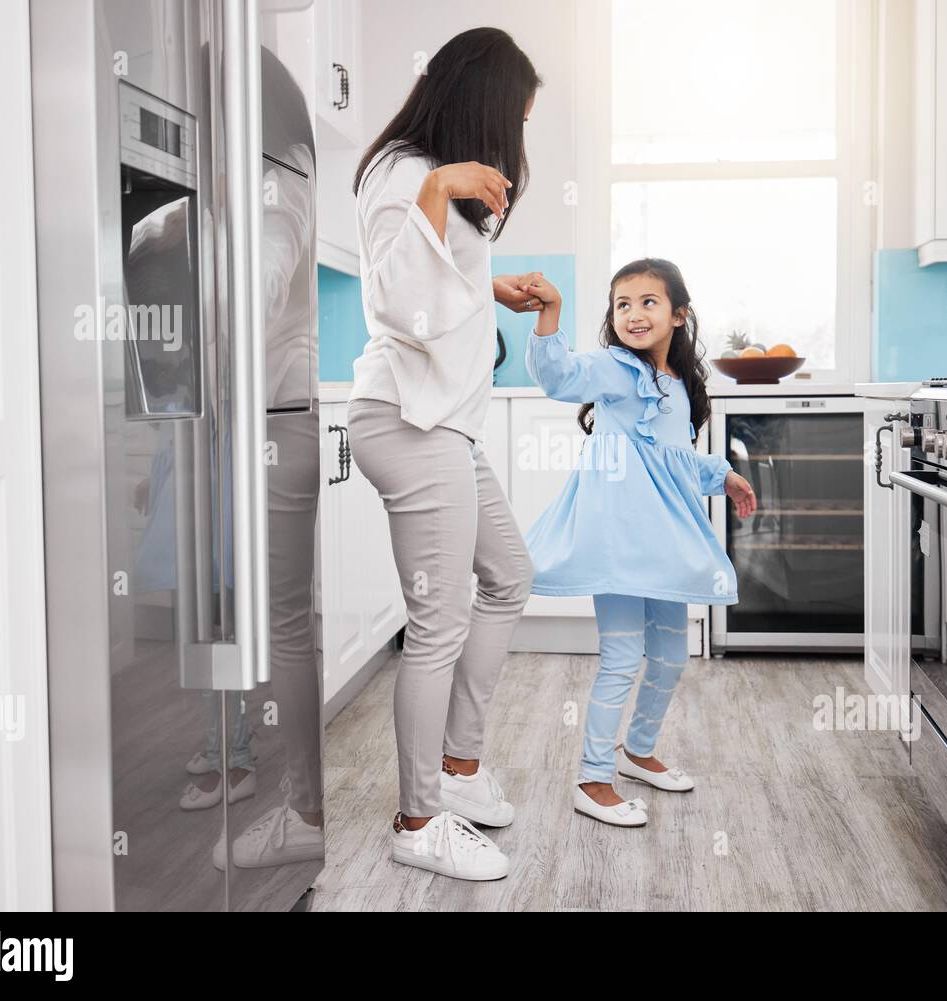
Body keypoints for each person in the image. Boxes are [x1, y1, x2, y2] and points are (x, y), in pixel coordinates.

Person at [346, 28, 543, 880]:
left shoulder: (431, 179)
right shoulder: (406, 175)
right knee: (438, 624)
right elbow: (398, 307)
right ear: (481, 101)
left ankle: (457, 771)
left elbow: (435, 285)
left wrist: (490, 282)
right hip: (409, 421)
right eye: (516, 118)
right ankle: (418, 818)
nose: (516, 140)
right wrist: (436, 189)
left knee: (508, 573)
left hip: (443, 424)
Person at [520, 258, 758, 827]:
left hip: (664, 547)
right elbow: (558, 378)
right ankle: (593, 777)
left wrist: (719, 474)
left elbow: (671, 461)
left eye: (648, 302)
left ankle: (638, 751)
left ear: (679, 315)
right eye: (622, 304)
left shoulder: (677, 386)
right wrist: (551, 312)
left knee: (672, 657)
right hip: (618, 544)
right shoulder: (613, 369)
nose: (633, 314)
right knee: (623, 657)